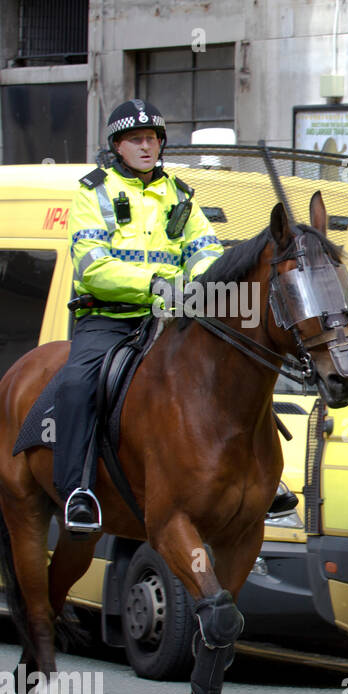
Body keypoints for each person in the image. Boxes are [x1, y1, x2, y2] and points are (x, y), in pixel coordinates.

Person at [57, 99, 224, 535]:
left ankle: (258, 478)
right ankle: (77, 491)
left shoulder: (180, 194)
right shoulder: (92, 191)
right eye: (136, 139)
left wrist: (201, 282)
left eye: (152, 138)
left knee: (225, 370)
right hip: (109, 318)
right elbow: (92, 266)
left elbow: (205, 250)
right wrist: (155, 282)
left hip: (168, 316)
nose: (146, 146)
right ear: (118, 145)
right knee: (76, 384)